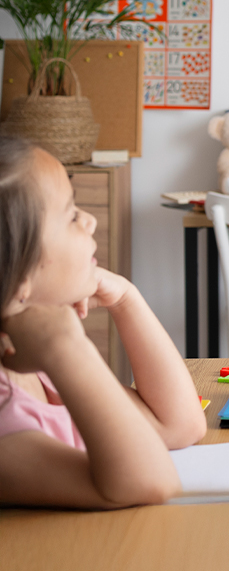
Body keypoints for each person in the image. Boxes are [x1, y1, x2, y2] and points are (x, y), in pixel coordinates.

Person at [0, 137, 207, 508]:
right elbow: (151, 482)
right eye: (71, 215)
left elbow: (179, 425)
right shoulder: (12, 407)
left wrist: (126, 299)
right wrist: (65, 346)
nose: (90, 220)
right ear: (19, 278)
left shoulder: (33, 366)